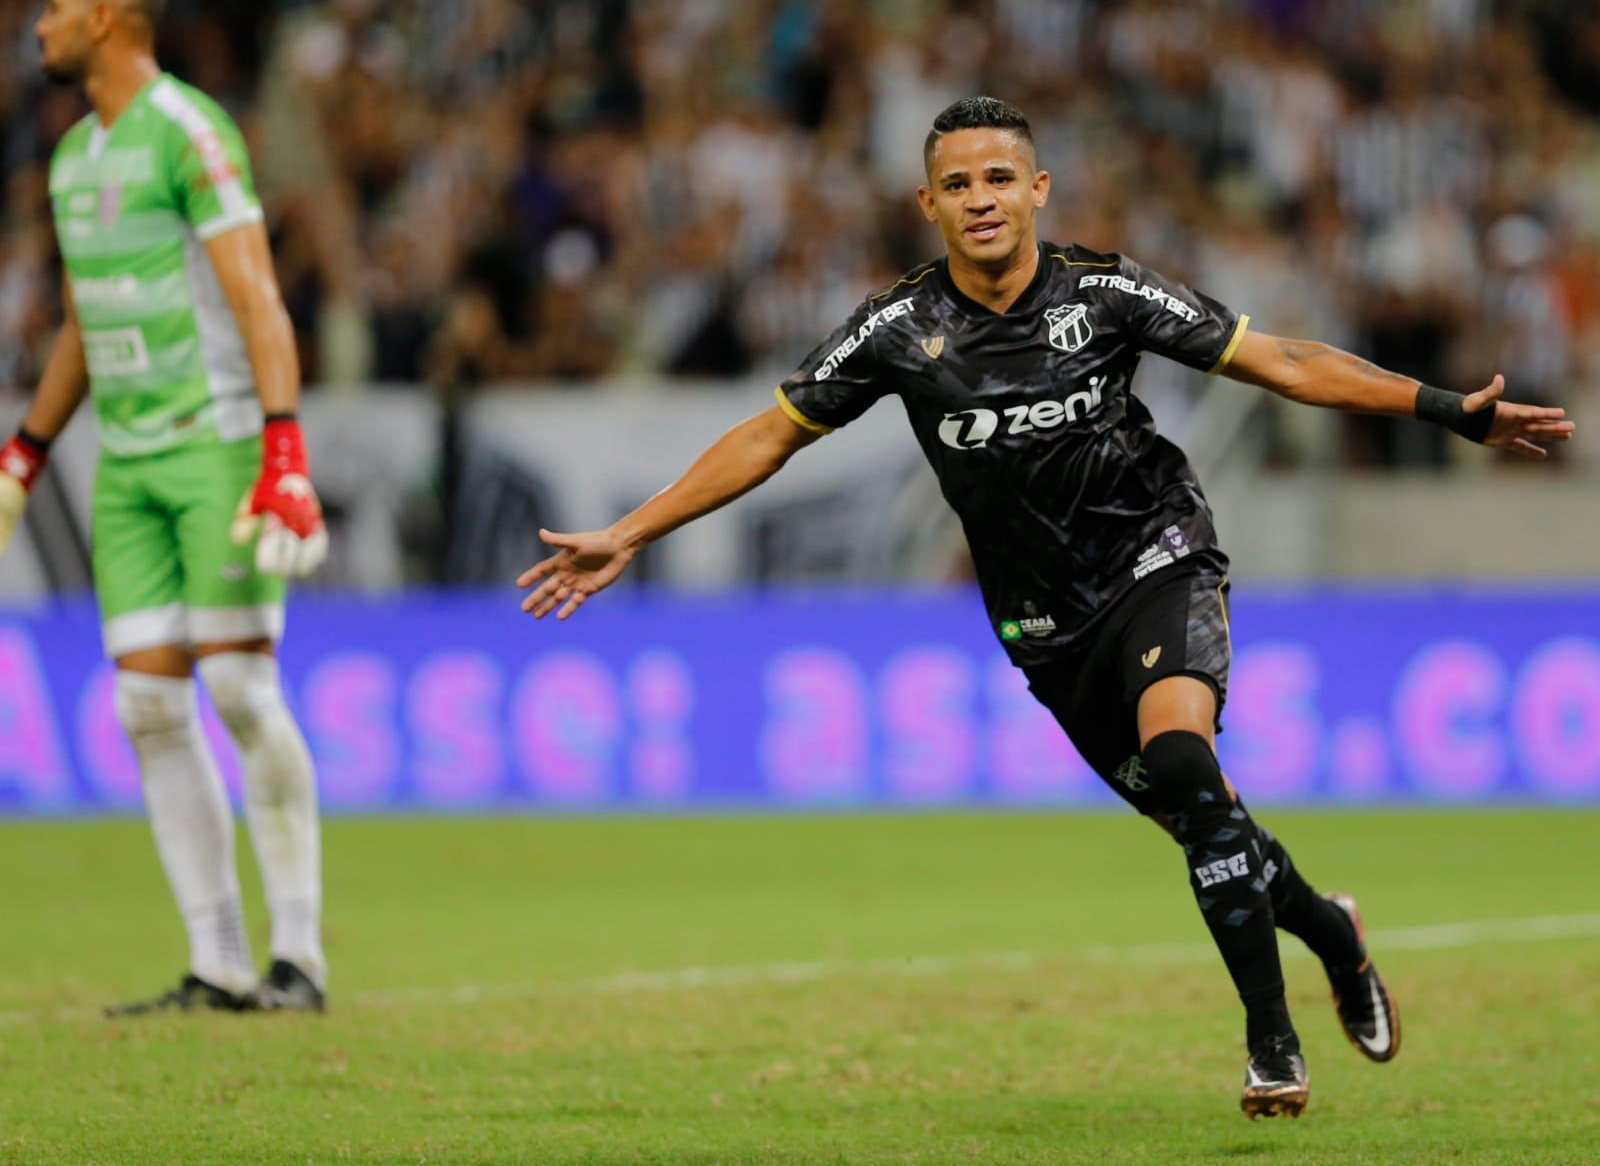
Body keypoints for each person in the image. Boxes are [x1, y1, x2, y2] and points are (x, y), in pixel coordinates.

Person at [518, 97, 1575, 1117]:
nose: (979, 197)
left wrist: (1445, 410)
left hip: (1157, 557)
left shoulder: (1106, 294)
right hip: (1043, 626)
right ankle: (1332, 935)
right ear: (926, 207)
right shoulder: (896, 328)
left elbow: (1282, 360)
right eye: (954, 184)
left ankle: (1271, 1044)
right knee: (1204, 821)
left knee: (1180, 761)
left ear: (1037, 190)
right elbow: (771, 433)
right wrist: (632, 529)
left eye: (996, 178)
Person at [0, 0, 331, 1014]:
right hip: (127, 462)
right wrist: (27, 451)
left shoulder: (189, 131)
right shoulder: (72, 159)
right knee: (148, 704)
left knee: (237, 686)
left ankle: (299, 956)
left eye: (51, 8)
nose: (36, 24)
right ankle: (218, 961)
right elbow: (85, 329)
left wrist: (282, 445)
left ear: (104, 18)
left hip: (215, 441)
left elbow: (259, 296)